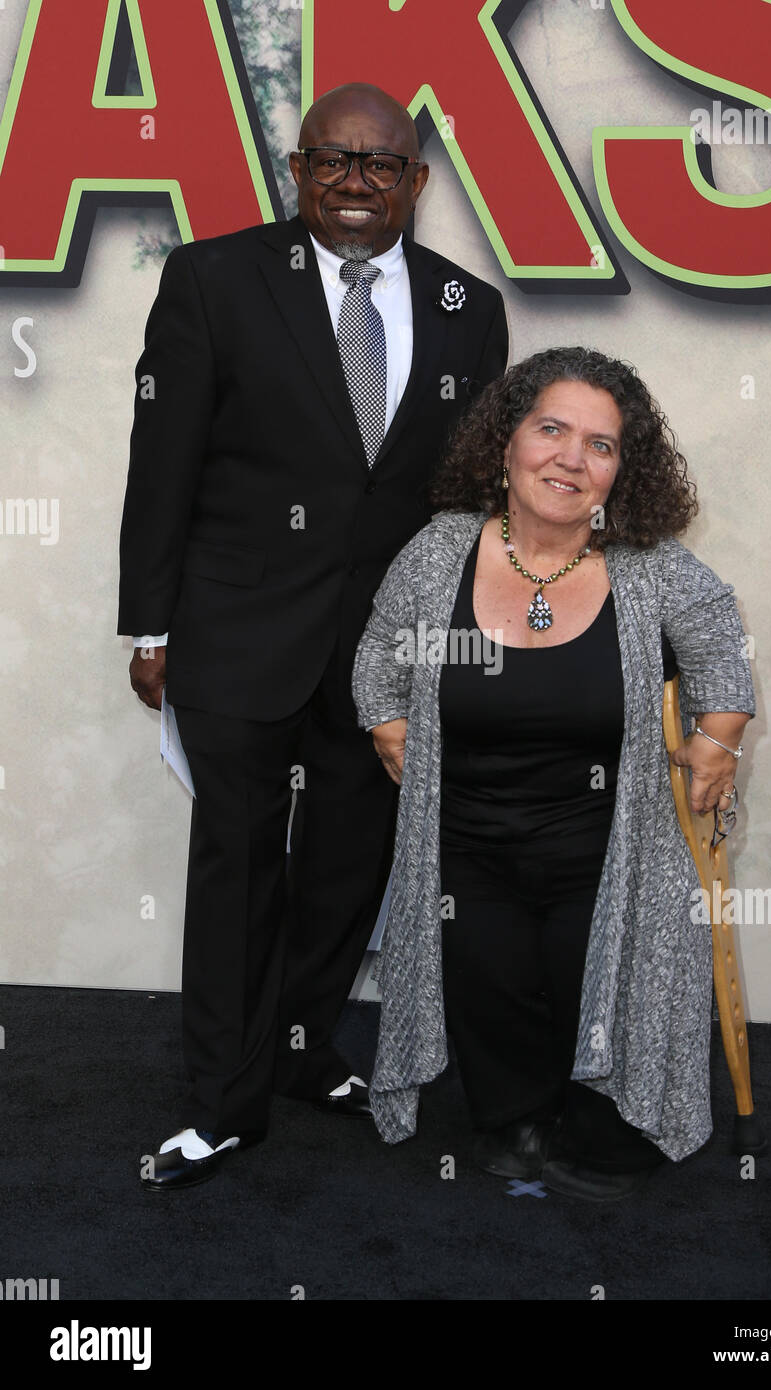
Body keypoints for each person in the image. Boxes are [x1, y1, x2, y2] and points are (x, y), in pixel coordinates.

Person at [117, 82, 508, 1190]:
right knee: (238, 868)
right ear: (296, 172)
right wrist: (149, 623)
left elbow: (466, 498)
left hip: (385, 652)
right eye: (330, 160)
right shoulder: (212, 279)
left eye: (378, 164)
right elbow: (165, 464)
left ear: (414, 182)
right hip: (235, 632)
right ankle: (222, 1100)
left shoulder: (466, 307)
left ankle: (297, 1049)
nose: (352, 180)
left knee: (347, 869)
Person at [352, 347, 755, 1202]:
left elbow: (722, 643)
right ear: (506, 444)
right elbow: (381, 658)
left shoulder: (647, 567)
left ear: (621, 471)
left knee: (596, 988)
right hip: (468, 840)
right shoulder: (441, 553)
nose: (572, 458)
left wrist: (719, 743)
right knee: (490, 983)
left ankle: (607, 1120)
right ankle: (514, 1116)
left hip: (602, 845)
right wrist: (394, 735)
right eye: (552, 430)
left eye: (601, 445)